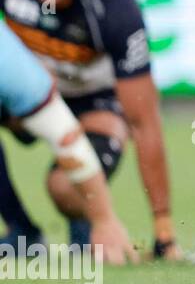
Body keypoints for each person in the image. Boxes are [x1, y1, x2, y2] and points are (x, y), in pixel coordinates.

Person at [0, 0, 178, 258]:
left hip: (94, 103)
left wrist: (164, 231)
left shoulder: (113, 3)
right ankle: (23, 233)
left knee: (65, 188)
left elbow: (144, 122)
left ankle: (89, 228)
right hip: (27, 98)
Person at [0, 23, 135, 262]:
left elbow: (63, 134)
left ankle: (81, 228)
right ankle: (23, 230)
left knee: (63, 184)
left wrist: (103, 219)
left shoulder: (11, 68)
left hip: (60, 96)